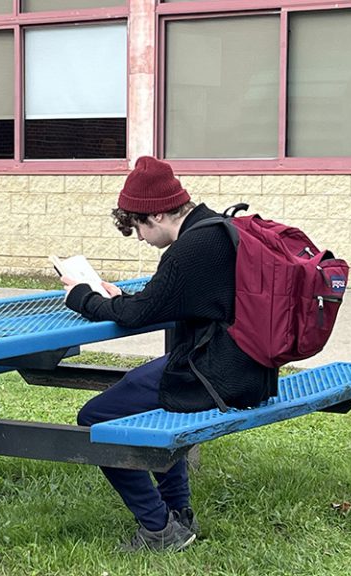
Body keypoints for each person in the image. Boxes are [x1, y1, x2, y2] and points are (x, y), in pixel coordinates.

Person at [60, 156, 277, 552]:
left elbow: (137, 316)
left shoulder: (188, 250)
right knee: (137, 390)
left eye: (138, 227)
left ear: (157, 215)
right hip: (249, 367)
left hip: (217, 375)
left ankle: (159, 529)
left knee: (95, 416)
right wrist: (124, 299)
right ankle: (178, 514)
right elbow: (166, 302)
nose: (140, 238)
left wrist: (81, 296)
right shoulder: (220, 228)